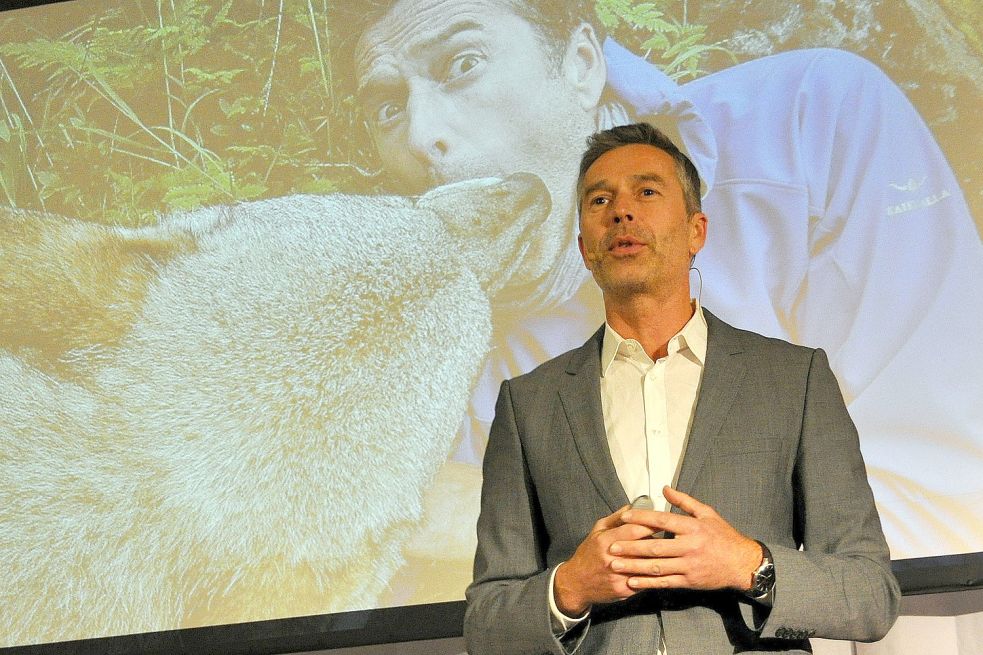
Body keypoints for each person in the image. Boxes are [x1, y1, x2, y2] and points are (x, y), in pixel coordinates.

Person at [346, 0, 983, 601]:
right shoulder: (421, 339)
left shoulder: (809, 124)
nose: (422, 135)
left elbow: (944, 500)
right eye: (388, 110)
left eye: (463, 64)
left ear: (582, 64)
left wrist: (507, 526)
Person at [463, 122, 901, 654]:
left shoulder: (794, 379)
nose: (621, 212)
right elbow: (486, 623)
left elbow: (871, 595)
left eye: (647, 192)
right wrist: (570, 587)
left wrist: (748, 564)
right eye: (600, 200)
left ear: (697, 231)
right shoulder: (528, 404)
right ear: (583, 248)